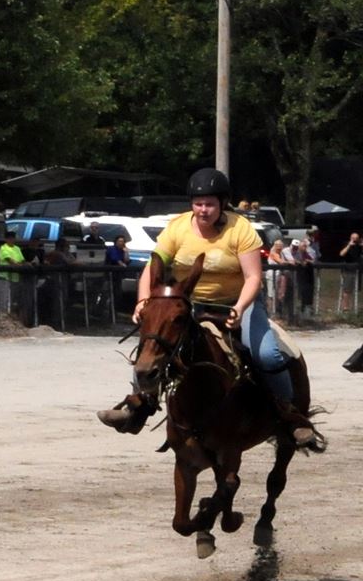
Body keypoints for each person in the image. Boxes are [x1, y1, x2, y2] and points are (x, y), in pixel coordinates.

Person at [96, 167, 317, 448]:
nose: (203, 210)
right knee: (152, 345)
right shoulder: (177, 227)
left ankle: (291, 416)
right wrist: (142, 301)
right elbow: (152, 269)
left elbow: (253, 278)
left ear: (223, 203)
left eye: (210, 203)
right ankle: (139, 406)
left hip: (238, 303)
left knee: (268, 355)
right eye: (198, 203)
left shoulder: (241, 229)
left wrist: (238, 308)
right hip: (191, 304)